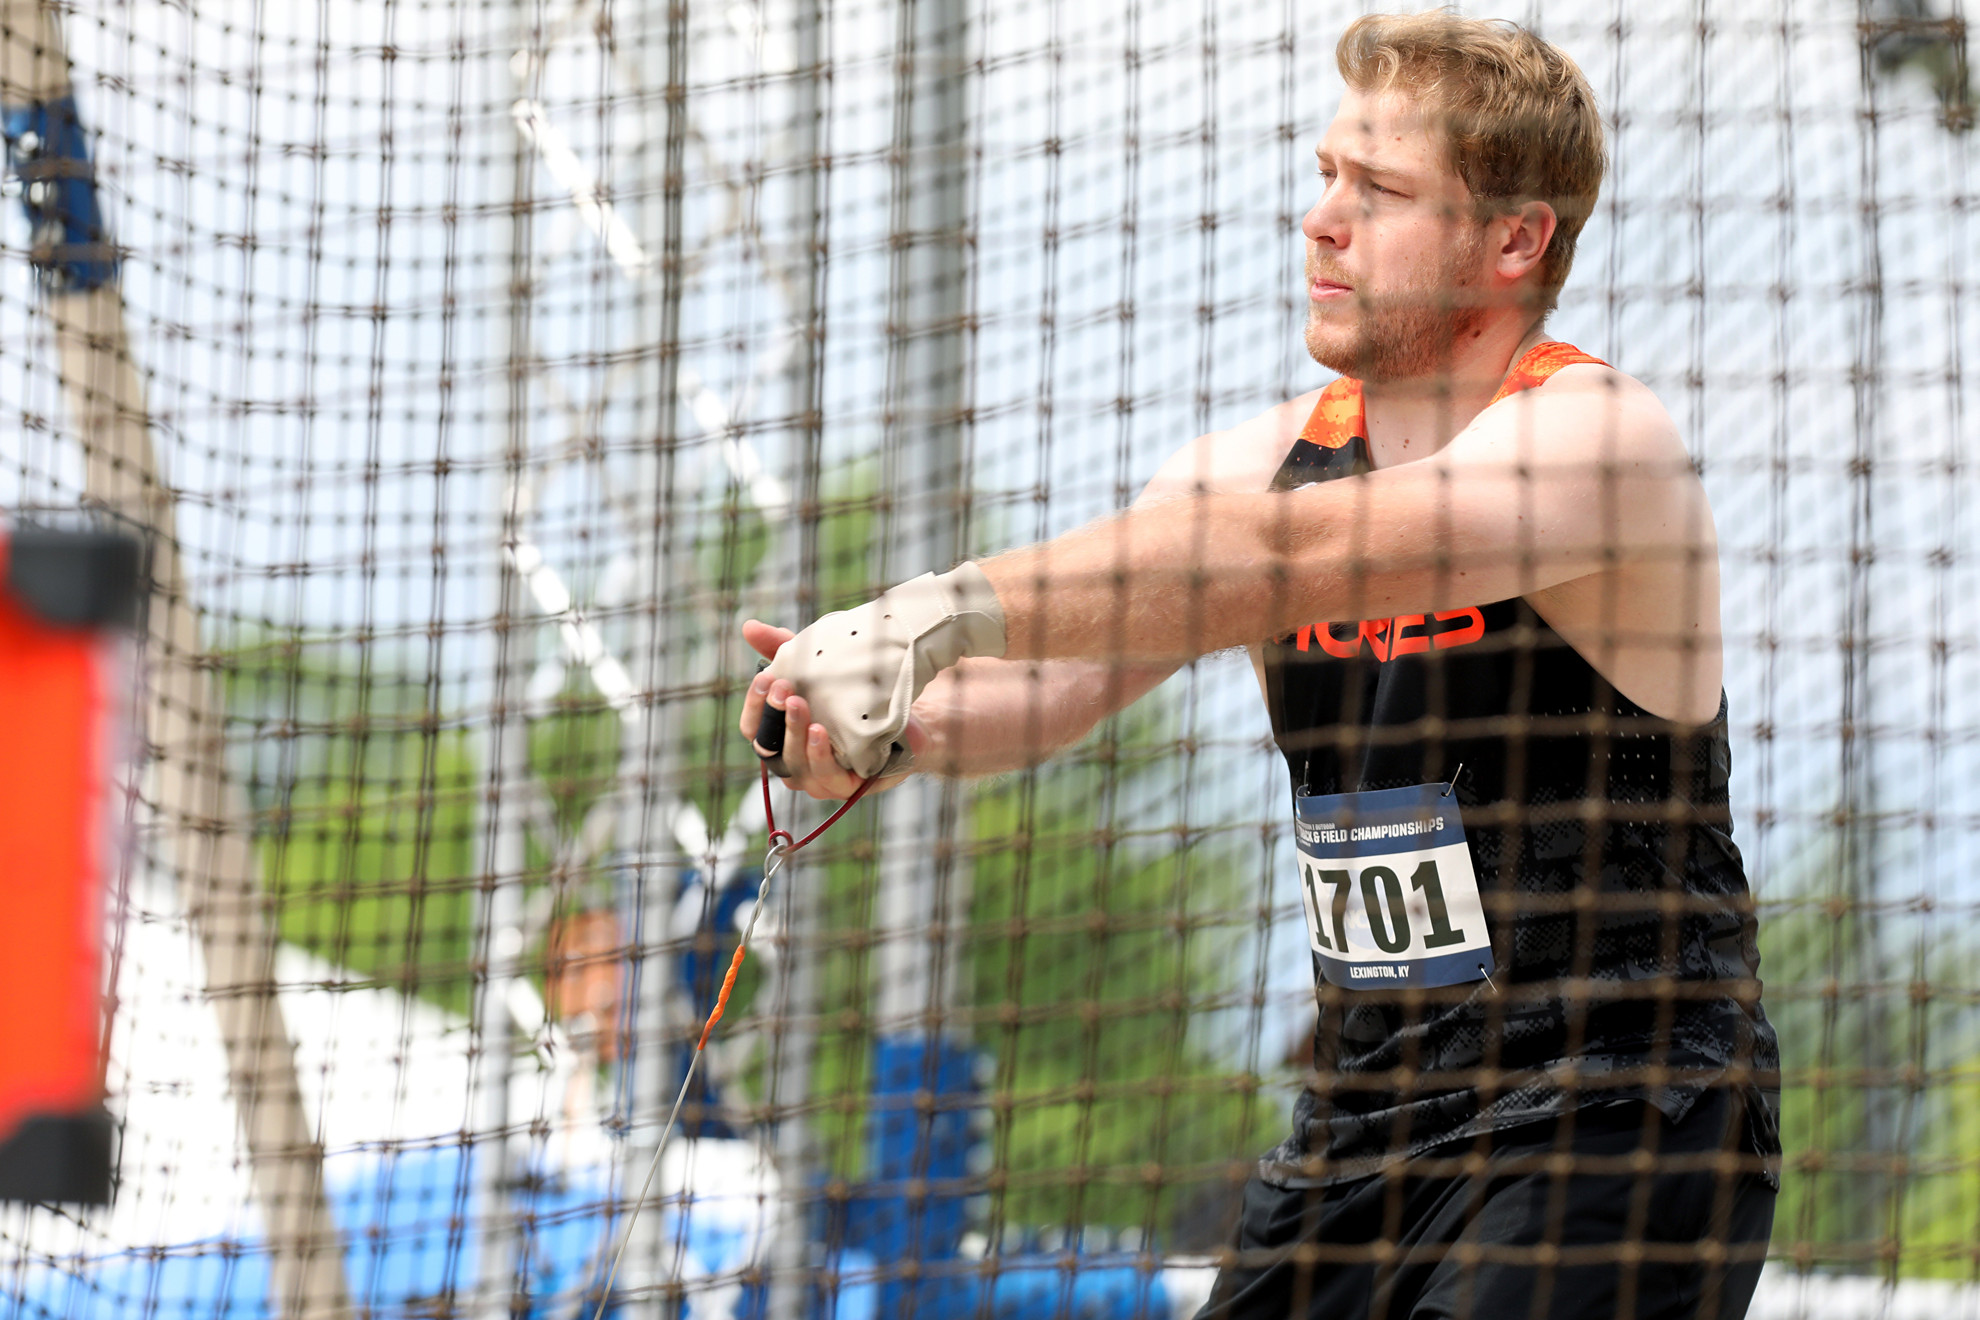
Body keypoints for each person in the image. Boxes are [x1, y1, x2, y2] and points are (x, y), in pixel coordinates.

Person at [738, 12, 1780, 1319]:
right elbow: (1041, 698)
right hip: (1365, 1125)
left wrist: (935, 609)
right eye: (1329, 174)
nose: (1323, 220)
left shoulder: (1595, 443)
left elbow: (1294, 558)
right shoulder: (1249, 466)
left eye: (1382, 191)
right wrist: (879, 723)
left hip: (1609, 1113)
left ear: (1516, 241)